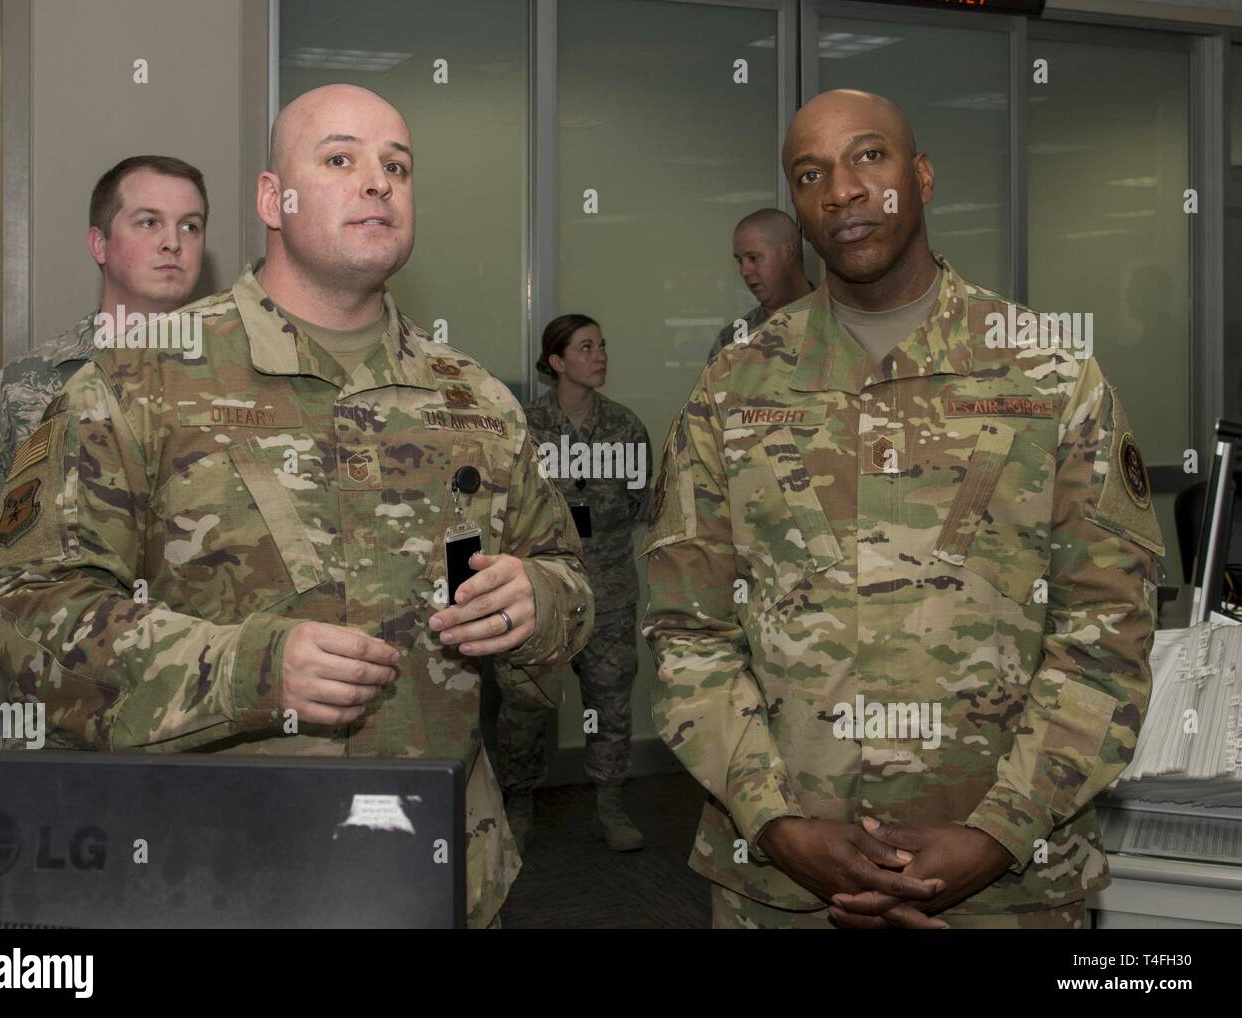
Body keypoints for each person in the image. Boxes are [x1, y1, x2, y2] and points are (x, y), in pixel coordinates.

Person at [0, 83, 593, 930]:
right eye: (340, 159)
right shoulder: (139, 381)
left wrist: (538, 602)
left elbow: (565, 575)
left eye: (397, 167)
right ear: (272, 199)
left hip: (438, 871)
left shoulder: (474, 398)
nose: (377, 182)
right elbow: (27, 606)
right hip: (214, 875)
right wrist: (245, 670)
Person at [642, 89, 1164, 929]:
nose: (842, 189)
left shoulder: (1050, 375)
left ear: (920, 175)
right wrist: (776, 822)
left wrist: (999, 832)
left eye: (868, 156)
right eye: (810, 174)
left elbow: (1107, 634)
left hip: (1006, 891)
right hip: (782, 887)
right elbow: (686, 633)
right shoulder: (734, 387)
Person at [0, 154, 208, 586]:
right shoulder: (27, 386)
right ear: (99, 244)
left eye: (190, 226)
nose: (173, 242)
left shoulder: (236, 380)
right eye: (149, 222)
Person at [496, 315, 652, 852]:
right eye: (586, 347)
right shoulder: (525, 425)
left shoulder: (626, 427)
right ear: (557, 361)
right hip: (540, 591)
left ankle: (609, 806)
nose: (600, 355)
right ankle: (518, 804)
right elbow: (509, 506)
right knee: (527, 701)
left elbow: (637, 503)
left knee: (610, 701)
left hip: (609, 590)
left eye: (602, 345)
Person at [708, 208, 814, 360]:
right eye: (740, 261)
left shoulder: (837, 321)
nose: (744, 271)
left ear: (788, 254)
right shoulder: (733, 339)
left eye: (753, 258)